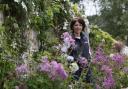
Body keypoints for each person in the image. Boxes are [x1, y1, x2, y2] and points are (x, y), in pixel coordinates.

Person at [69, 17, 92, 83]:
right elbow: (63, 53)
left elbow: (88, 51)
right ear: (72, 27)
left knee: (87, 84)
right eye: (76, 25)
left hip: (86, 68)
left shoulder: (85, 38)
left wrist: (89, 59)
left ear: (83, 26)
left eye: (80, 25)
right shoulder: (69, 39)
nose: (78, 27)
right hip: (75, 69)